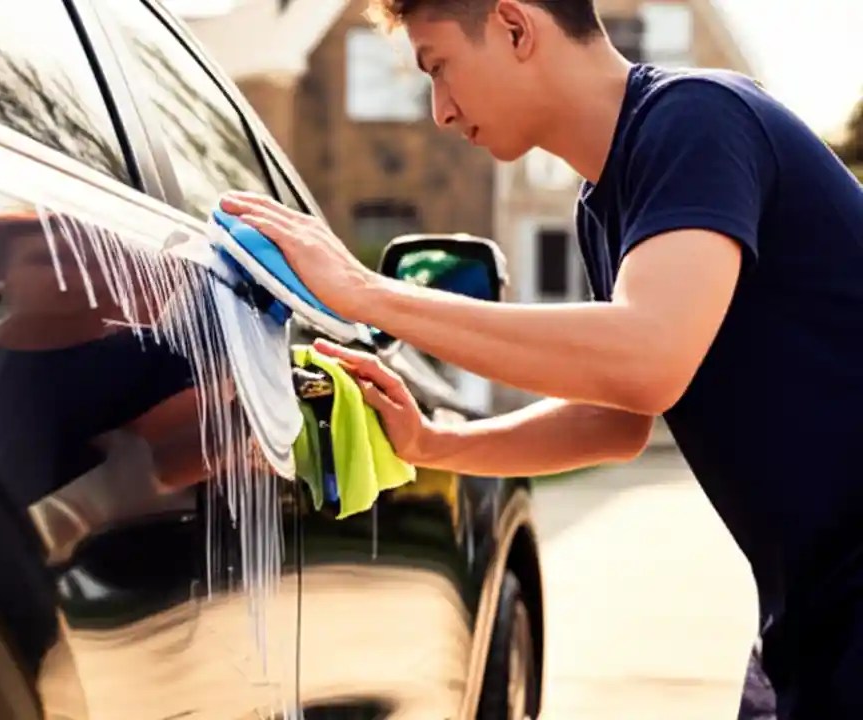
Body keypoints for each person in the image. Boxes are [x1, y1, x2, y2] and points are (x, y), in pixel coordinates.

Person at [217, 0, 863, 717]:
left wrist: (366, 294)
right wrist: (437, 442)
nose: (440, 111)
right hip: (811, 613)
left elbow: (650, 356)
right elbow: (618, 417)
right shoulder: (607, 204)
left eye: (440, 67)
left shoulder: (697, 121)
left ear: (515, 27)